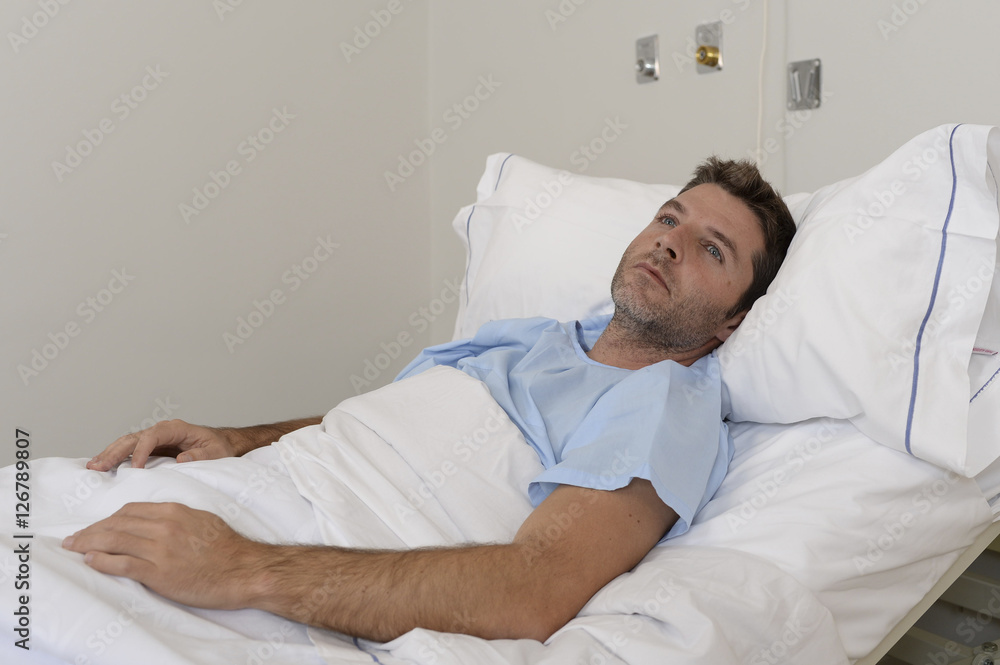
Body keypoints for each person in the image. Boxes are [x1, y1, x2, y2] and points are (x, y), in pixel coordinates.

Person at [63, 157, 796, 644]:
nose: (670, 243)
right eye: (669, 219)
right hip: (258, 487)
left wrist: (240, 567)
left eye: (712, 249)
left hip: (313, 556)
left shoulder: (663, 402)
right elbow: (392, 423)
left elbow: (535, 587)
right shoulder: (534, 337)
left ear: (735, 319)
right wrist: (240, 438)